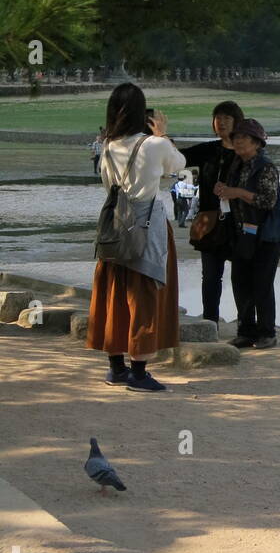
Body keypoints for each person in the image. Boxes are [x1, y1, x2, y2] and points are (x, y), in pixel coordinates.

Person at [87, 84, 184, 392]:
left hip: (114, 227)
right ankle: (139, 372)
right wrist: (163, 134)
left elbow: (108, 184)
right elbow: (178, 166)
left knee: (113, 294)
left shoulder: (108, 146)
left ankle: (116, 368)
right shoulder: (154, 144)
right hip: (146, 226)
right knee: (144, 294)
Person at [214, 118, 280, 350]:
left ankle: (267, 333)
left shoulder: (266, 167)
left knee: (262, 283)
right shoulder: (237, 164)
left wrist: (236, 192)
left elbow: (267, 201)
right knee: (240, 281)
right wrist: (223, 191)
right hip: (242, 232)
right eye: (236, 138)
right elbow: (232, 193)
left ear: (257, 143)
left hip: (267, 235)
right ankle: (245, 332)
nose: (238, 142)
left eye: (243, 138)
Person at [179, 101, 245, 326]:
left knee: (241, 277)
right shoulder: (208, 150)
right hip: (210, 223)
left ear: (238, 122)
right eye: (218, 118)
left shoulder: (246, 152)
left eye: (227, 118)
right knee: (210, 277)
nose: (222, 122)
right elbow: (179, 158)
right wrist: (160, 137)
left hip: (239, 224)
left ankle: (246, 325)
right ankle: (210, 323)